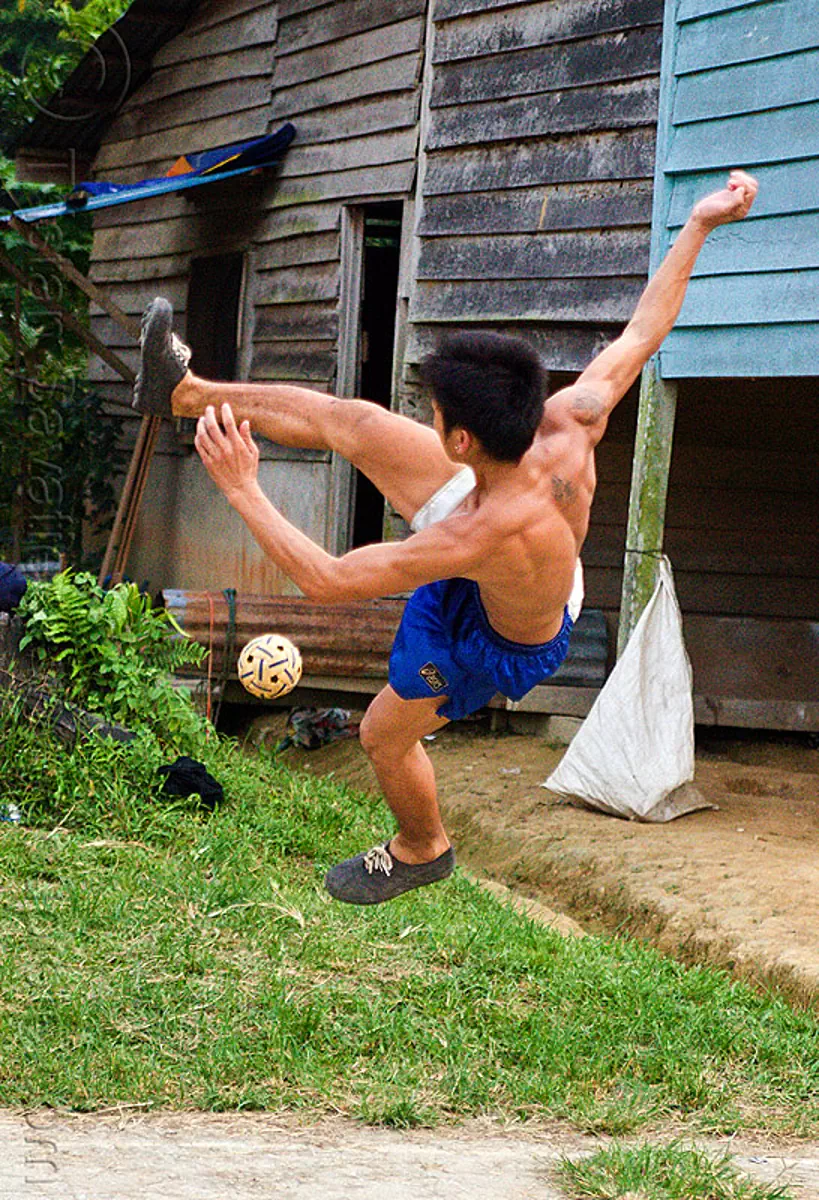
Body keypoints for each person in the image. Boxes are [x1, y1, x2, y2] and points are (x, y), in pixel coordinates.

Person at [133, 170, 758, 905]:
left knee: (381, 736)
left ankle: (423, 847)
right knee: (357, 423)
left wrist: (241, 487)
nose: (423, 416)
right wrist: (698, 224)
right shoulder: (568, 419)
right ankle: (182, 392)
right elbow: (642, 331)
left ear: (461, 438)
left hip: (497, 640)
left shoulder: (480, 534)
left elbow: (330, 582)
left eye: (432, 411)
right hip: (504, 529)